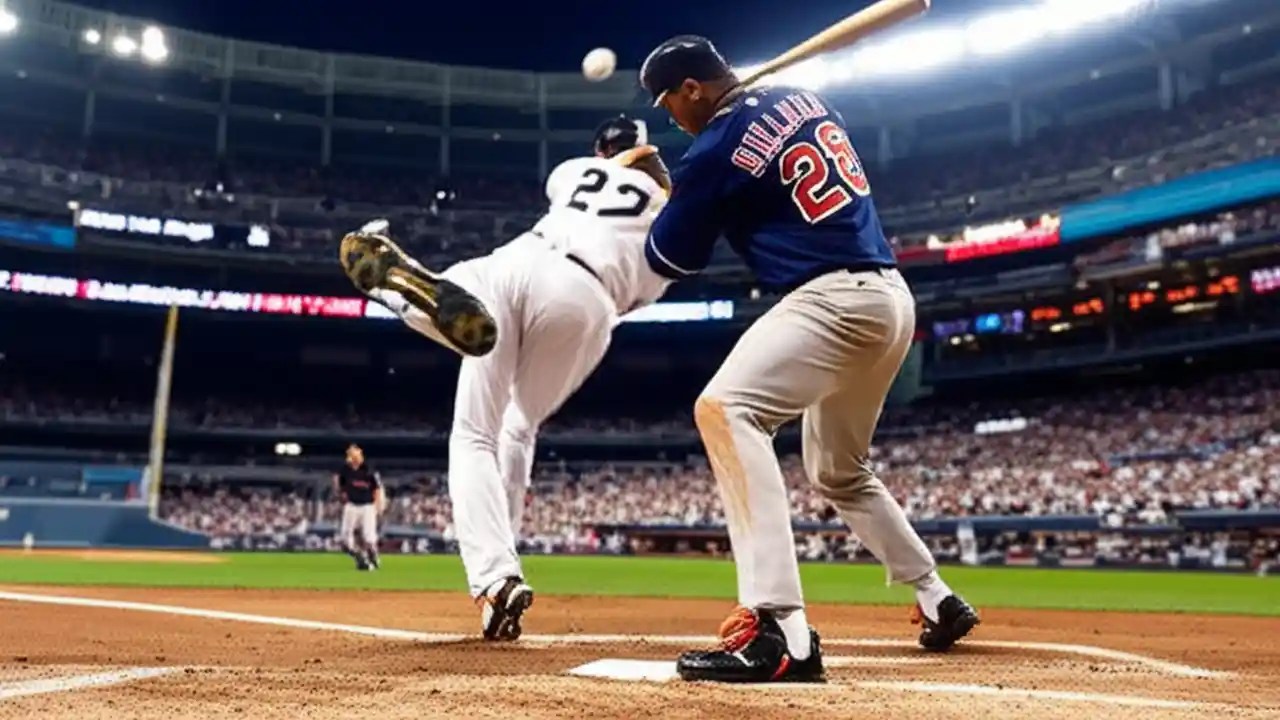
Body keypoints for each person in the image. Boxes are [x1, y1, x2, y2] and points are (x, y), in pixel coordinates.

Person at [639, 35, 979, 683]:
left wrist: (665, 188)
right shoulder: (802, 96)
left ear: (691, 89)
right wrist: (682, 181)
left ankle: (779, 629)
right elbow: (757, 164)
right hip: (888, 300)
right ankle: (937, 596)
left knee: (725, 408)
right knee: (839, 470)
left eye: (669, 103)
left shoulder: (710, 149)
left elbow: (670, 258)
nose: (669, 117)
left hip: (830, 301)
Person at [338, 117, 673, 640]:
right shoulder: (670, 212)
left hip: (521, 258)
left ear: (601, 151)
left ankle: (406, 291)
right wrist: (662, 184)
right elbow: (664, 263)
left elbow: (607, 177)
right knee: (515, 428)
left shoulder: (574, 172)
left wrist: (627, 162)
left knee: (474, 429)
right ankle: (500, 573)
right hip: (584, 298)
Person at [333, 443, 384, 571]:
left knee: (368, 537)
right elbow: (339, 485)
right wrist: (341, 496)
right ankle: (360, 558)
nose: (352, 457)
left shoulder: (369, 469)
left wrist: (377, 506)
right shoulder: (345, 470)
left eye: (355, 454)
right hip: (351, 505)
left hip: (367, 506)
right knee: (345, 538)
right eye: (350, 454)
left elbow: (377, 489)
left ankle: (373, 556)